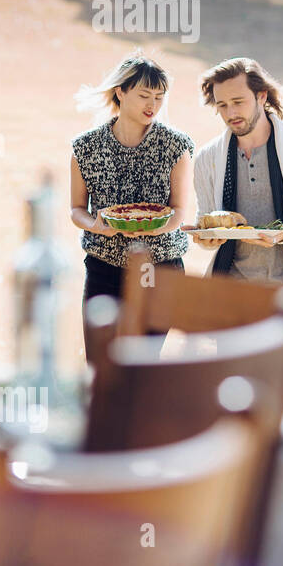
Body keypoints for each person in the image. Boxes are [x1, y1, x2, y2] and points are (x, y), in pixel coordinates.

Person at [70, 52, 192, 359]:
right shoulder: (85, 147)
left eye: (159, 97)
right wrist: (95, 225)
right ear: (120, 92)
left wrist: (152, 227)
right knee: (100, 364)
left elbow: (178, 211)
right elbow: (76, 209)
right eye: (144, 96)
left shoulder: (176, 145)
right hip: (104, 267)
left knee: (144, 366)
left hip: (160, 268)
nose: (153, 105)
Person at [192, 57, 283, 288]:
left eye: (238, 101)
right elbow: (209, 222)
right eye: (222, 105)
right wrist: (207, 237)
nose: (231, 113)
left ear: (261, 96)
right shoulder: (206, 158)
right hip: (232, 290)